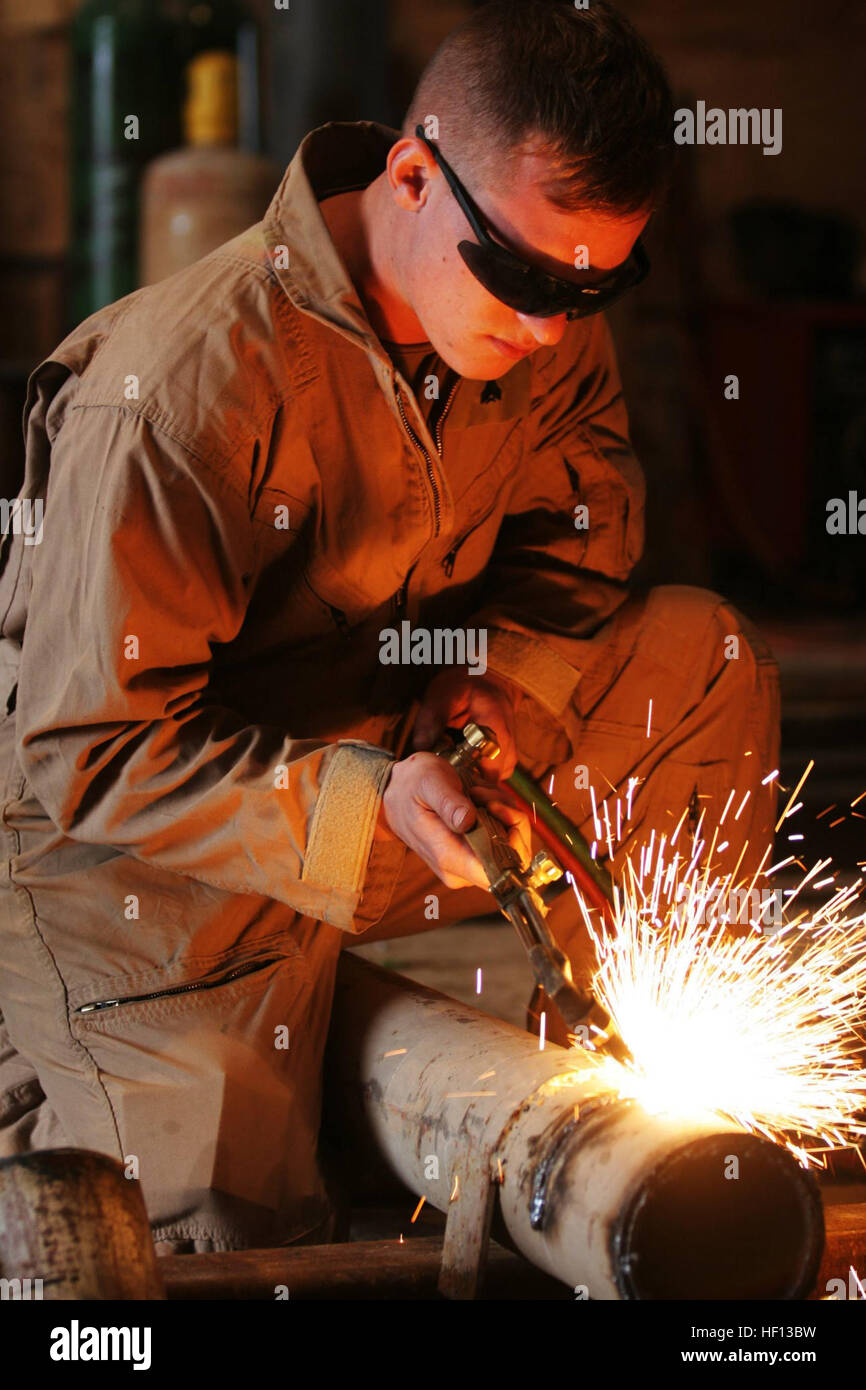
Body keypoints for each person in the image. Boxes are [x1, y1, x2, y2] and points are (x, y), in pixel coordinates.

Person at [0, 0, 778, 1252]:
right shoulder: (177, 393)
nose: (548, 329)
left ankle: (623, 1068)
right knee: (227, 1235)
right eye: (521, 278)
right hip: (153, 856)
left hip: (402, 766)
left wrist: (495, 678)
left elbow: (577, 535)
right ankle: (55, 1063)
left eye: (598, 283)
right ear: (411, 175)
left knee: (698, 655)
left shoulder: (544, 307)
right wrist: (361, 802)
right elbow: (94, 749)